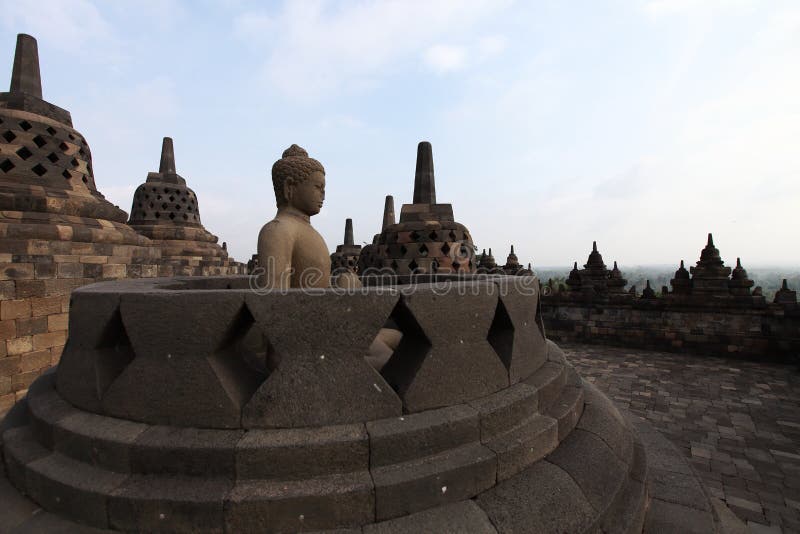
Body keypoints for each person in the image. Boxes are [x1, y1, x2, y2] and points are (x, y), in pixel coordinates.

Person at [257, 144, 332, 289]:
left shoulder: (305, 230)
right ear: (289, 186)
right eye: (318, 187)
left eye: (324, 189)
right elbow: (274, 301)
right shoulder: (277, 231)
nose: (323, 195)